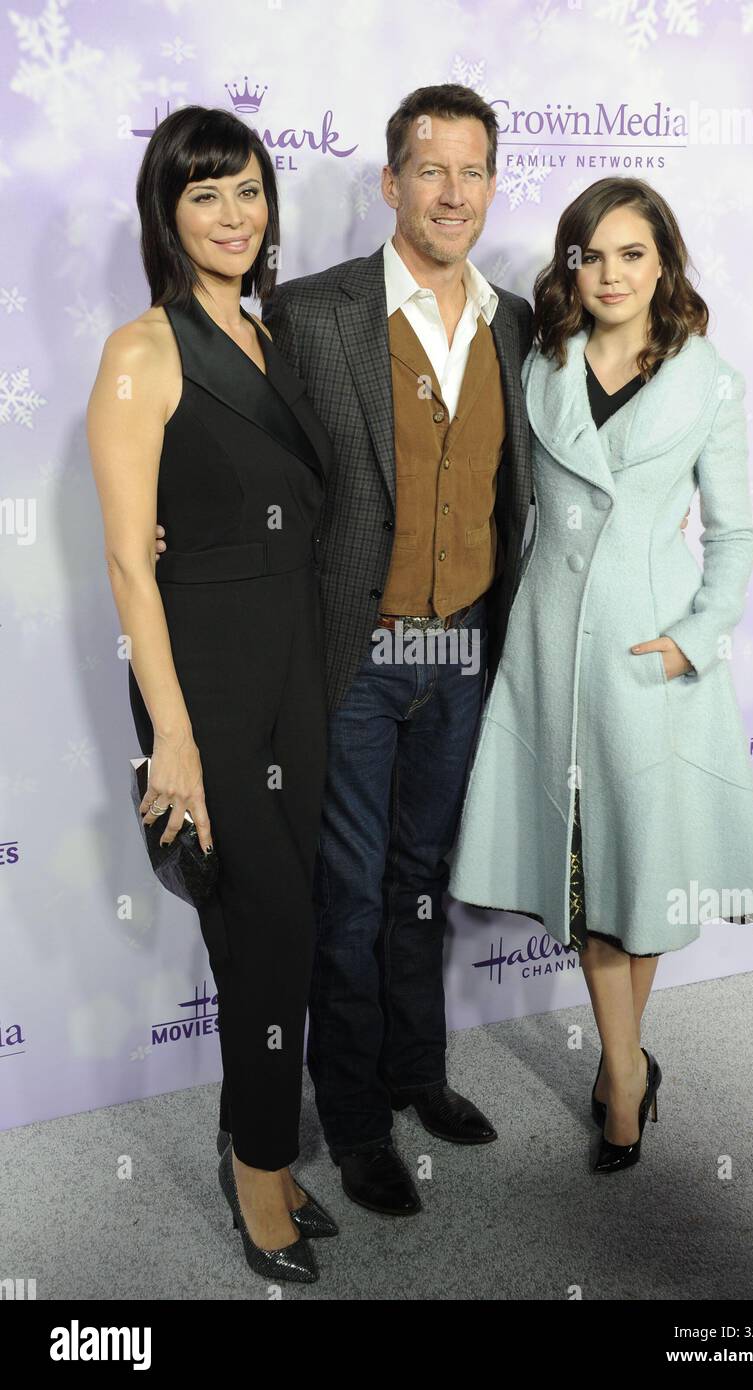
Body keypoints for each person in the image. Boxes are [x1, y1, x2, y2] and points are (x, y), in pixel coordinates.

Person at [157, 84, 535, 1216]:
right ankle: (358, 1118)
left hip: (465, 650)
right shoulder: (311, 313)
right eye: (430, 170)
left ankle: (421, 1075)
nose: (452, 193)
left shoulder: (514, 320)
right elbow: (230, 435)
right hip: (353, 653)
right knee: (352, 890)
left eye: (472, 172)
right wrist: (173, 520)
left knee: (424, 882)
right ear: (390, 183)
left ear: (489, 185)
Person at [447, 177, 753, 1174]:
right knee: (588, 872)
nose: (607, 273)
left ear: (663, 263)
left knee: (640, 870)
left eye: (629, 253)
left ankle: (619, 1068)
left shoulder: (707, 378)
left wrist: (694, 636)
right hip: (552, 650)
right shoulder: (535, 362)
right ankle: (626, 1071)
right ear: (568, 269)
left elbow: (731, 532)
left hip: (651, 658)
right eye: (588, 255)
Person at [87, 105, 337, 1281]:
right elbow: (131, 561)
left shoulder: (270, 334)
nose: (234, 216)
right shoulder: (143, 350)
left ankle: (261, 1138)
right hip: (209, 684)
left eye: (247, 190)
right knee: (264, 925)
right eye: (205, 196)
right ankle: (259, 1179)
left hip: (293, 657)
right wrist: (171, 739)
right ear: (166, 214)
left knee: (282, 923)